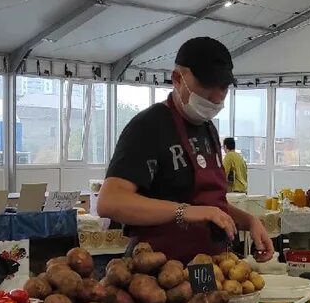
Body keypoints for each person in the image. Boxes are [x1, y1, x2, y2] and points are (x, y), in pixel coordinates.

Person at [98, 37, 273, 264]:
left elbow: (210, 206)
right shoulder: (149, 126)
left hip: (209, 268)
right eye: (207, 85)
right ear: (178, 78)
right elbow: (110, 201)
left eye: (223, 87)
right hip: (158, 273)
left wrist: (249, 221)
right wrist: (185, 211)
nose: (217, 96)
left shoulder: (207, 128)